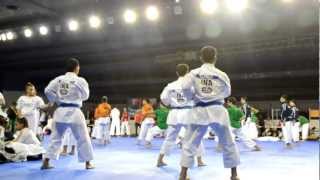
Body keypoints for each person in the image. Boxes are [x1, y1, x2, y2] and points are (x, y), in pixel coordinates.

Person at [179, 46, 240, 180]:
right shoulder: (221, 74)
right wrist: (216, 96)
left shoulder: (194, 73)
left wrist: (193, 96)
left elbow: (184, 87)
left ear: (201, 58)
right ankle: (234, 175)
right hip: (217, 109)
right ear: (215, 57)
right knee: (228, 141)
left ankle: (183, 174)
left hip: (198, 110)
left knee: (189, 142)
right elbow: (228, 92)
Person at [41, 58, 94, 170]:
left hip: (60, 111)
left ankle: (46, 162)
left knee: (55, 138)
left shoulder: (59, 79)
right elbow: (86, 96)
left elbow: (47, 91)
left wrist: (57, 99)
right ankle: (88, 163)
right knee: (83, 137)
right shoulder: (80, 80)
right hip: (75, 111)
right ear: (77, 68)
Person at [157, 64, 206, 168]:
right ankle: (199, 160)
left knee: (169, 138)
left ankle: (159, 160)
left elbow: (163, 98)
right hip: (188, 113)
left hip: (175, 113)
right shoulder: (192, 85)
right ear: (188, 72)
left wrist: (171, 103)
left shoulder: (170, 85)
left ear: (177, 73)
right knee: (195, 137)